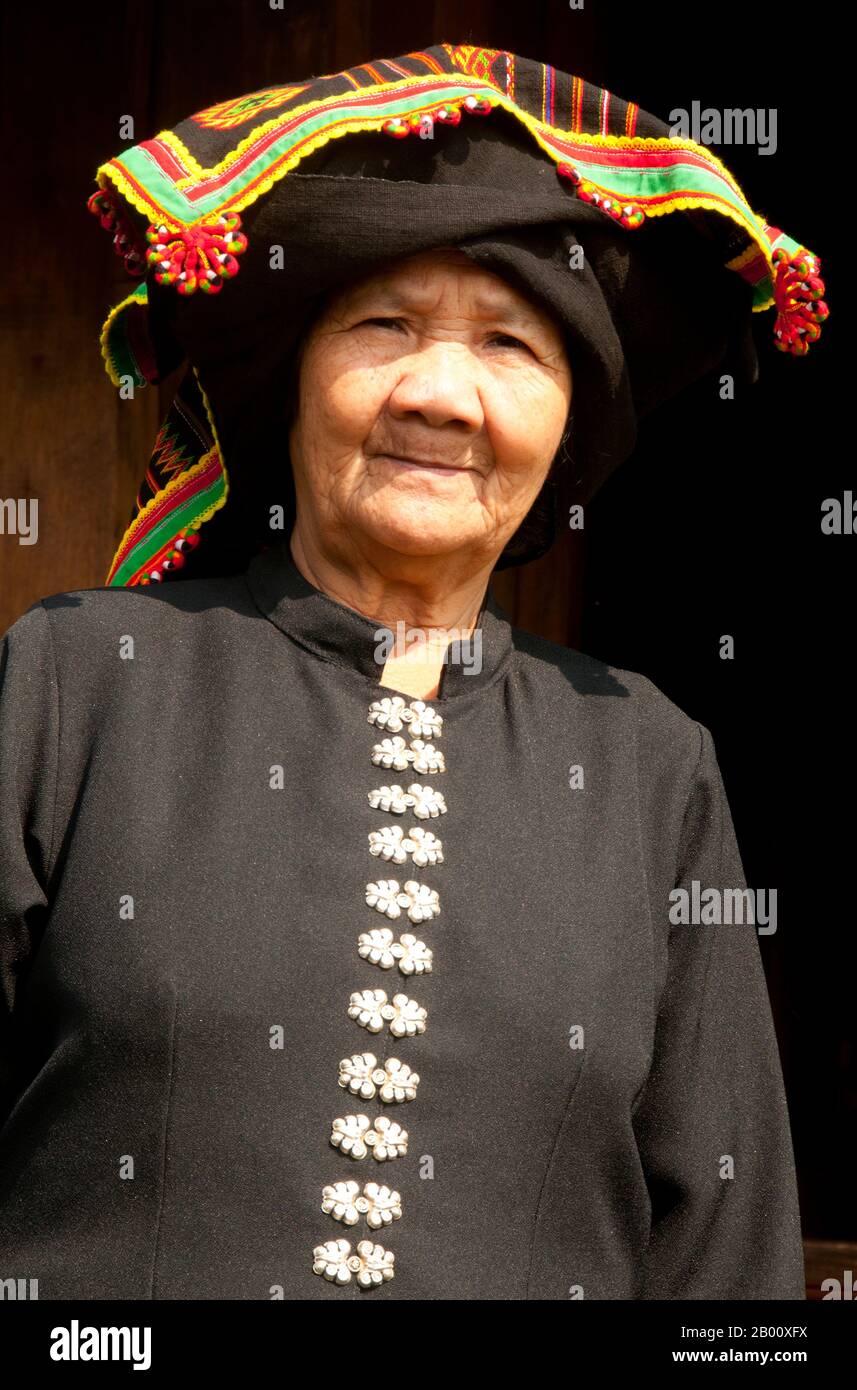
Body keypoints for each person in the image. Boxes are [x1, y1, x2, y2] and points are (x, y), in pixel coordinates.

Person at [0, 42, 826, 1299]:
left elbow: (727, 1248)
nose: (440, 395)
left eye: (510, 346)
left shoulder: (649, 767)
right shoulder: (76, 684)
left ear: (566, 434)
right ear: (292, 386)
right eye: (384, 325)